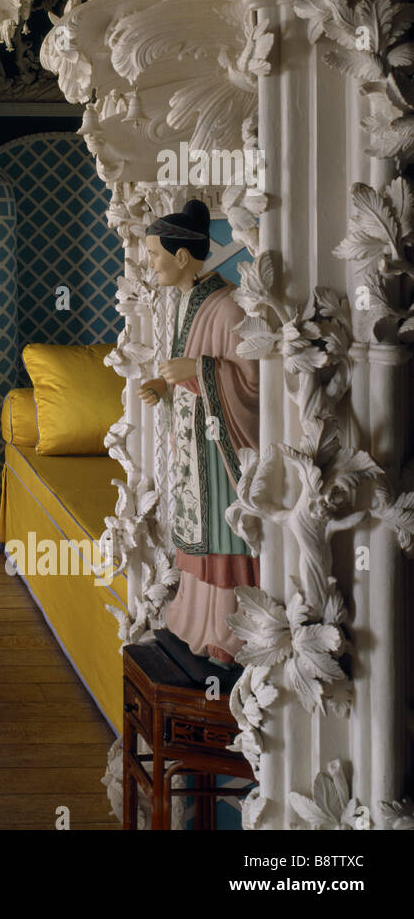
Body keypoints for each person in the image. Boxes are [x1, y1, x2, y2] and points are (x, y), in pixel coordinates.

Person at [138, 200, 258, 664]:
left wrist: (203, 369)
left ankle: (229, 634)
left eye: (153, 255)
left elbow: (252, 381)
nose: (150, 264)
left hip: (220, 447)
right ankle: (193, 620)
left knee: (222, 537)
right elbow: (180, 371)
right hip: (194, 446)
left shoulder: (226, 305)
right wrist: (160, 383)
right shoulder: (187, 301)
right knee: (196, 535)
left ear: (182, 256)